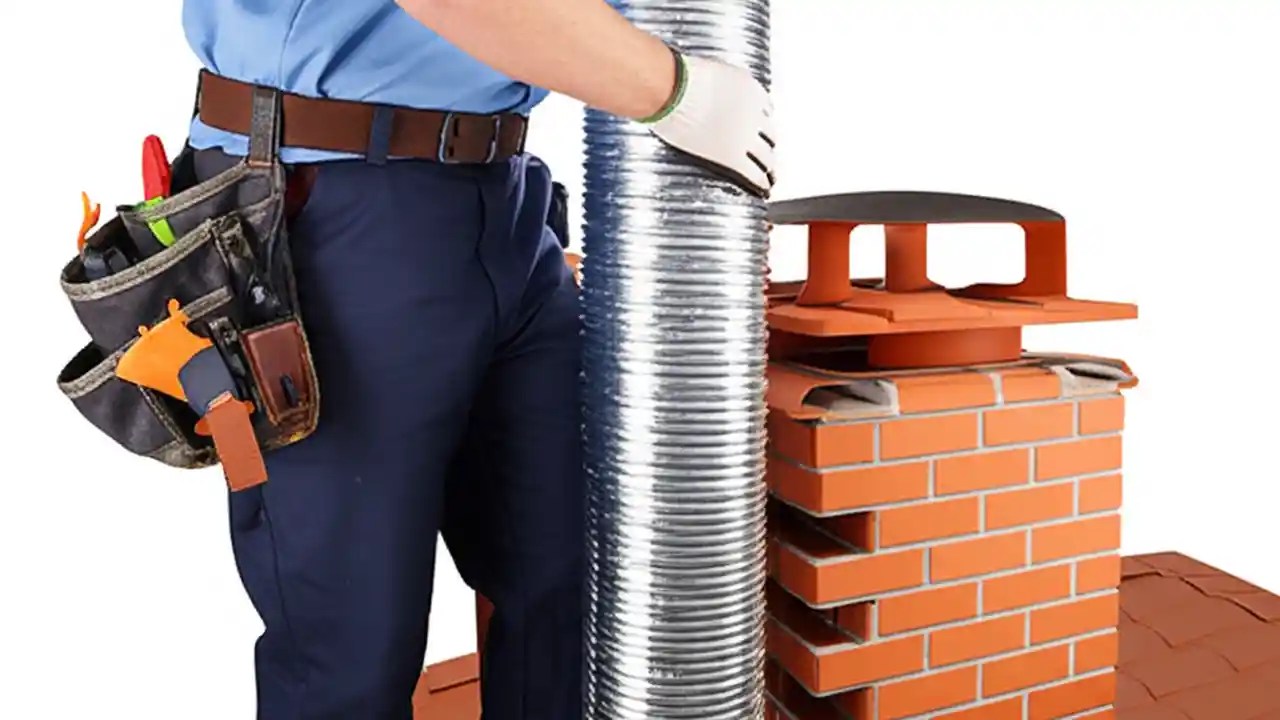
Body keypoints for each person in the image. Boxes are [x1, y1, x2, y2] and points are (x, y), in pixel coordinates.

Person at [181, 0, 776, 718]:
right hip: (328, 194)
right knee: (349, 652)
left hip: (503, 197)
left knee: (571, 589)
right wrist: (674, 91)